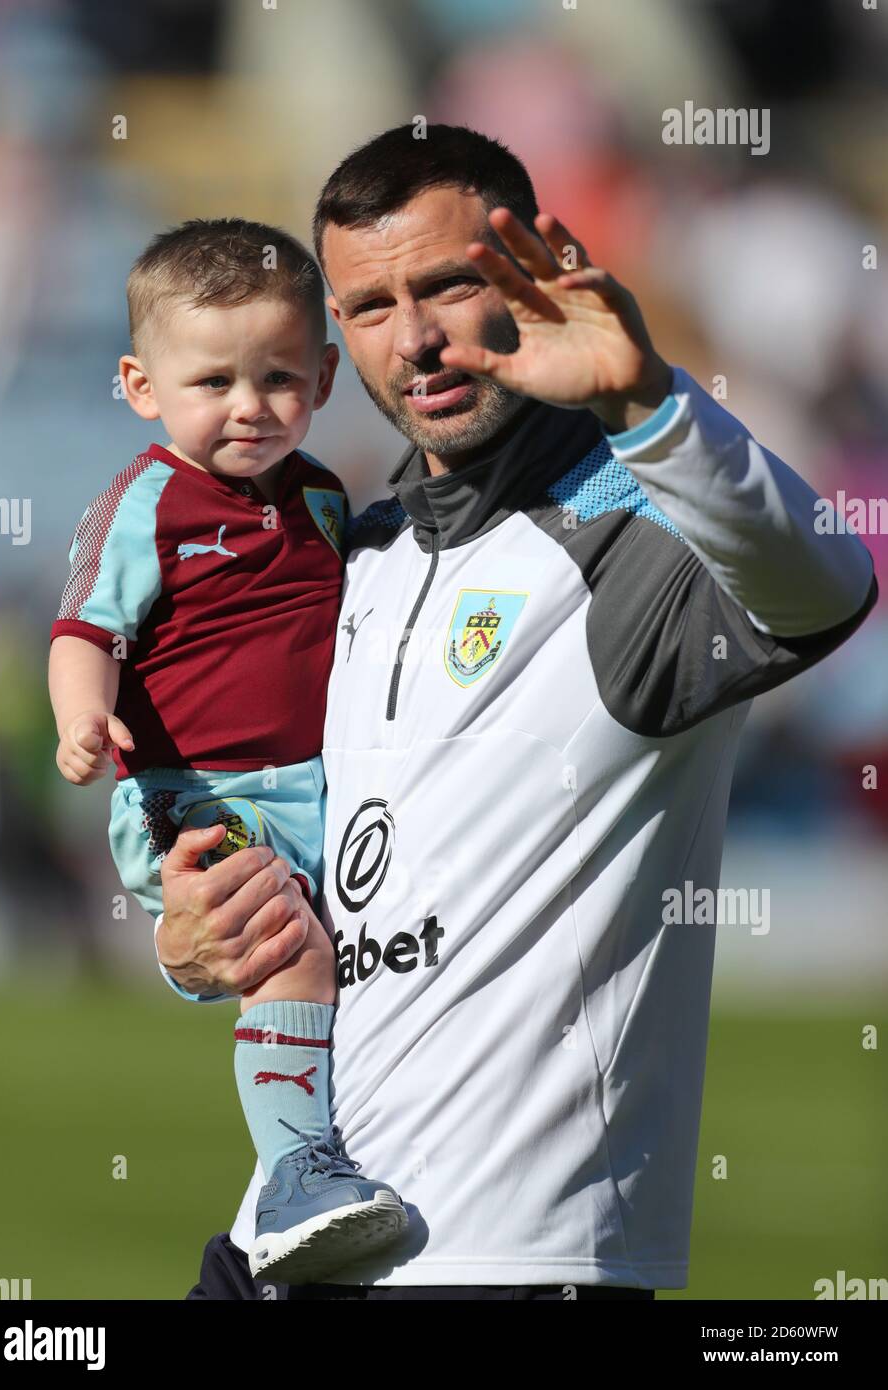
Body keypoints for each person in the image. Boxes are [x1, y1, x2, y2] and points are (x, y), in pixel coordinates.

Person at [155, 125, 878, 1301]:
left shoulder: (625, 539)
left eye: (448, 284)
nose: (416, 337)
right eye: (371, 305)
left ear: (532, 276)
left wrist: (646, 400)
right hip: (285, 1244)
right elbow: (305, 862)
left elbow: (825, 588)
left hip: (503, 1257)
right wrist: (191, 940)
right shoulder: (353, 558)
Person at [47, 217, 408, 1284]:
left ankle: (366, 1132)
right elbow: (84, 630)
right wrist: (81, 719)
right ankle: (299, 1170)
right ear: (141, 384)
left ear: (326, 376)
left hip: (323, 788)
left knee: (364, 956)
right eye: (213, 381)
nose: (249, 405)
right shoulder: (146, 504)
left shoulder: (325, 501)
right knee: (279, 939)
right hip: (196, 792)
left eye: (279, 377)